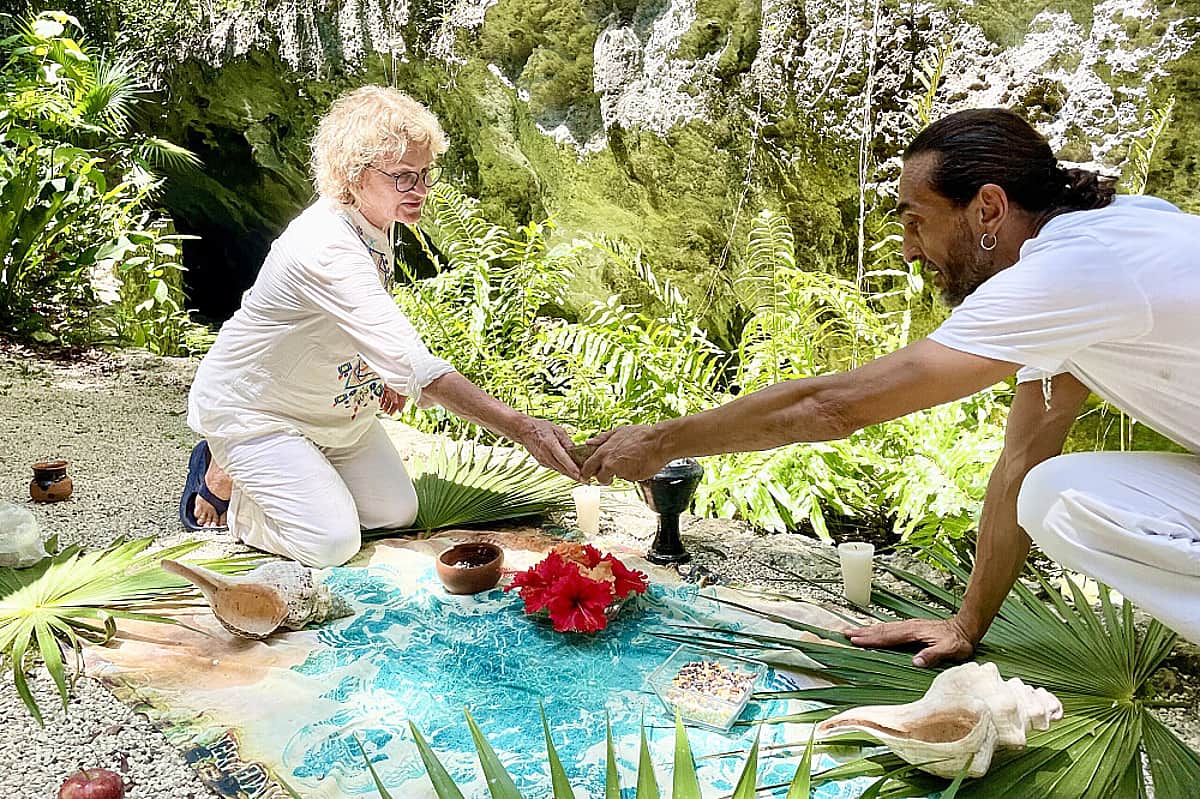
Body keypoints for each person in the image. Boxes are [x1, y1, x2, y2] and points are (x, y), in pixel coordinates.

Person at [580, 107, 1200, 664]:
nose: (908, 250)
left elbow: (831, 406)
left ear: (988, 208)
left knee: (1058, 500)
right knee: (1052, 490)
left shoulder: (1075, 268)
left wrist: (660, 443)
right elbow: (1022, 456)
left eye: (916, 220)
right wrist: (966, 624)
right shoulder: (1101, 240)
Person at [182, 85, 581, 568]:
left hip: (330, 409)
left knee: (395, 512)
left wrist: (380, 376)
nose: (421, 191)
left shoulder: (375, 217)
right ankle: (226, 481)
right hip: (255, 409)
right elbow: (412, 361)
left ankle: (290, 475)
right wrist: (523, 429)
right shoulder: (325, 245)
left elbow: (362, 322)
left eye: (425, 173)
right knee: (331, 543)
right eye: (404, 177)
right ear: (353, 175)